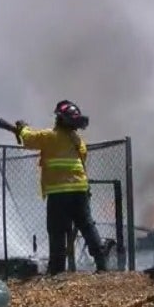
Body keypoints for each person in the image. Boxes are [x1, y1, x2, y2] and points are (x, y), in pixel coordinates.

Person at [12, 100, 108, 275]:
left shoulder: (50, 136)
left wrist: (22, 128)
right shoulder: (77, 140)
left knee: (57, 230)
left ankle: (57, 270)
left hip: (59, 192)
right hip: (80, 189)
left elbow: (28, 139)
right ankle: (102, 264)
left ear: (59, 119)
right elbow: (82, 159)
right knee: (87, 225)